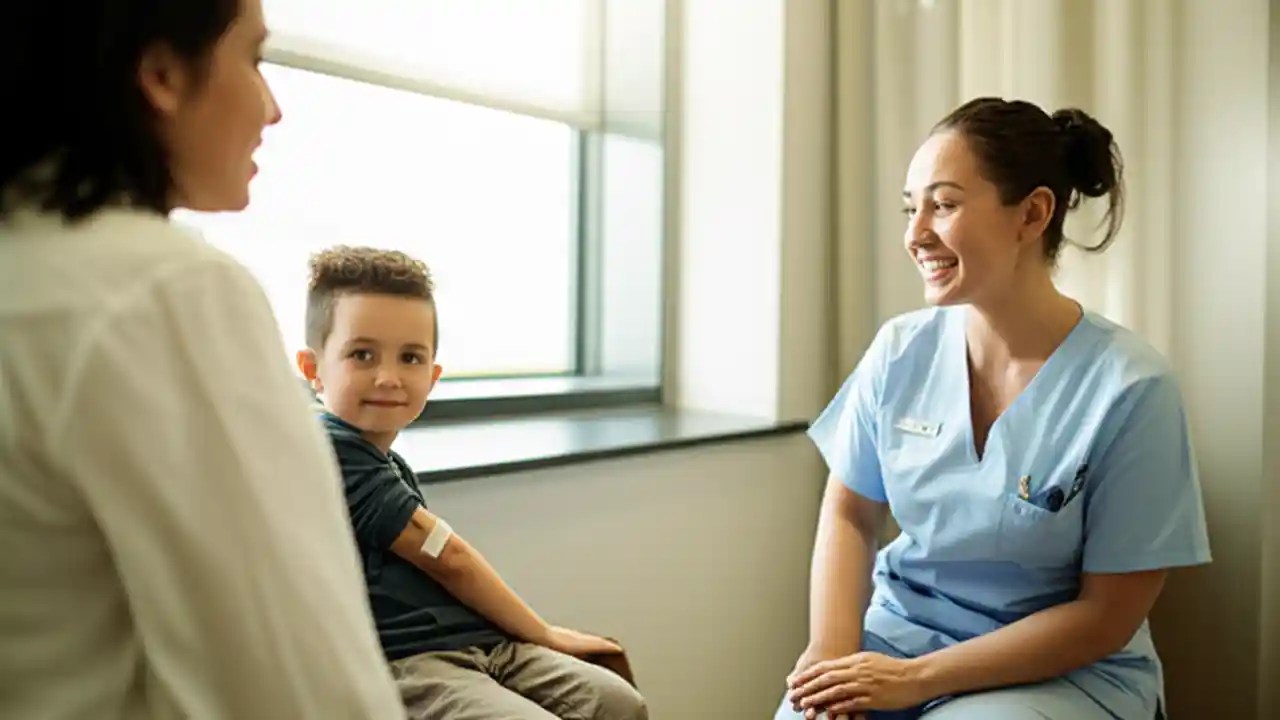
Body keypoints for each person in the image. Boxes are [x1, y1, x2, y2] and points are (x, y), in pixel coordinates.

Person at [0, 1, 406, 718]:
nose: (272, 108)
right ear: (160, 73)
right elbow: (300, 695)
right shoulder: (163, 292)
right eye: (253, 58)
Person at [775, 98, 1211, 720]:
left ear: (1032, 213)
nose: (915, 233)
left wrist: (915, 680)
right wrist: (830, 657)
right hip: (898, 640)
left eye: (944, 204)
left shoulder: (1131, 387)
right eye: (911, 207)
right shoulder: (900, 350)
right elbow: (850, 511)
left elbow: (1107, 616)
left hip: (1060, 673)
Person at [296, 245, 649, 720]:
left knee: (616, 703)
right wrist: (544, 633)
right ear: (312, 369)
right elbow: (448, 557)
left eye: (411, 358)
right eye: (362, 354)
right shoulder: (331, 449)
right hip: (410, 660)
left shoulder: (387, 462)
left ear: (433, 375)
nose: (388, 377)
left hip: (477, 640)